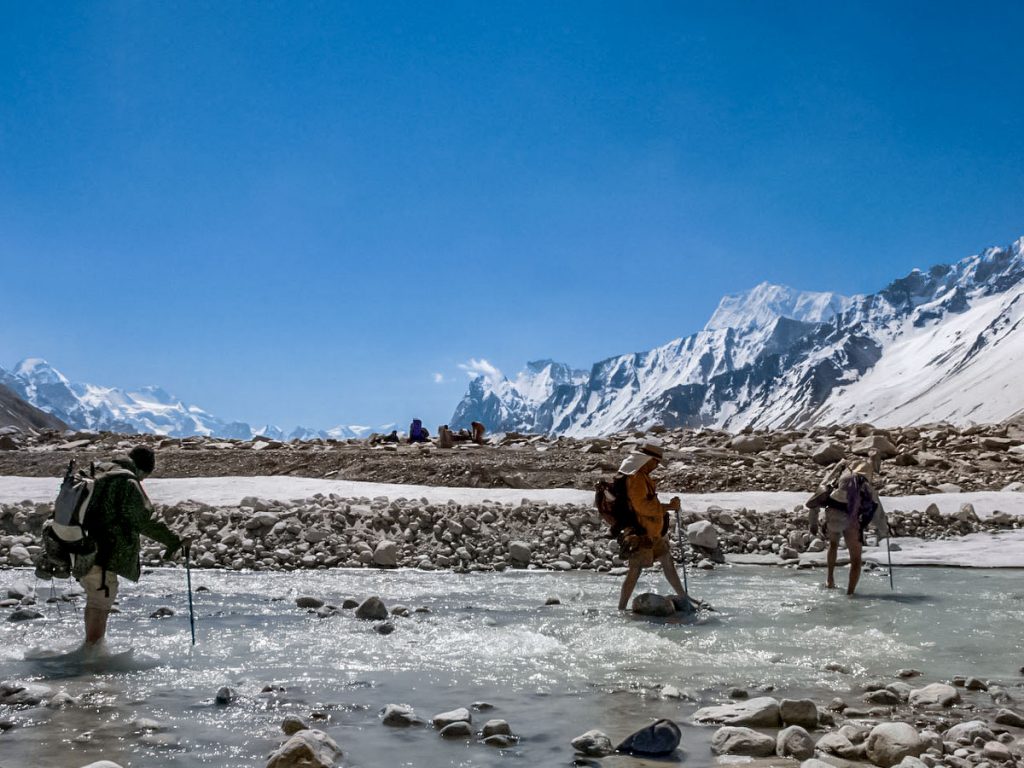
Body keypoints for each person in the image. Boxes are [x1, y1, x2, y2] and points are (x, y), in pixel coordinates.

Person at [76, 446, 185, 647]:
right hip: (103, 553)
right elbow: (142, 520)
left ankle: (89, 648)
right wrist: (173, 540)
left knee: (94, 598)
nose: (142, 481)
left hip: (77, 546)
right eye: (144, 476)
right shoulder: (126, 481)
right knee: (100, 602)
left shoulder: (101, 470)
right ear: (143, 469)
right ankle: (92, 658)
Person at [615, 440, 689, 611]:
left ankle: (683, 597)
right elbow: (642, 507)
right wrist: (668, 507)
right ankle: (621, 608)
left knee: (666, 560)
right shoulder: (636, 479)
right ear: (647, 460)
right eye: (655, 462)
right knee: (635, 570)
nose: (656, 466)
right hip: (641, 533)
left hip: (652, 532)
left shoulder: (641, 476)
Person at [811, 458, 888, 595]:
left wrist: (813, 522)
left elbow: (818, 494)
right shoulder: (864, 484)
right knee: (856, 560)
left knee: (833, 545)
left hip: (833, 517)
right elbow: (877, 510)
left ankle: (830, 580)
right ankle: (850, 593)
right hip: (852, 522)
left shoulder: (838, 477)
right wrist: (884, 530)